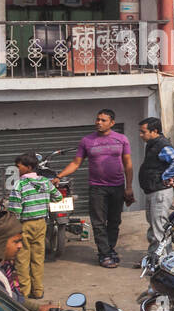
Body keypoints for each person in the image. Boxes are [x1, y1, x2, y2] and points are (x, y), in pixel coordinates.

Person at [56, 108, 134, 268]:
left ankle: (110, 249)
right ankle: (104, 254)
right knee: (98, 222)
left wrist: (129, 187)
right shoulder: (87, 141)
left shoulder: (121, 139)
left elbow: (128, 164)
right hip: (97, 188)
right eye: (97, 119)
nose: (99, 122)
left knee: (114, 221)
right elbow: (76, 163)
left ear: (112, 123)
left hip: (117, 187)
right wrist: (59, 176)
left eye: (103, 120)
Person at [6, 152, 62, 301]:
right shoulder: (45, 181)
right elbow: (58, 197)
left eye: (19, 167)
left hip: (24, 225)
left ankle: (24, 293)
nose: (17, 170)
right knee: (38, 258)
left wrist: (11, 229)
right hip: (41, 224)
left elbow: (15, 211)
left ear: (28, 167)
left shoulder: (20, 185)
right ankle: (37, 291)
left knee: (22, 259)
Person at [138, 117, 174, 249]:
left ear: (154, 131)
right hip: (152, 191)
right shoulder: (152, 144)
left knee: (159, 228)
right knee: (155, 226)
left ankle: (163, 259)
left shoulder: (162, 145)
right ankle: (154, 258)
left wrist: (166, 176)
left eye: (143, 132)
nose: (141, 135)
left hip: (159, 193)